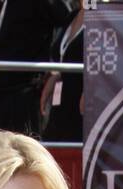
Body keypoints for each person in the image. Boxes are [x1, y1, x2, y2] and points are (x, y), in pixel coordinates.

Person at [0, 0, 71, 138]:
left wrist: (57, 70)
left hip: (24, 100)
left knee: (25, 156)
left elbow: (70, 19)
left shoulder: (37, 4)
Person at [41, 0, 84, 144]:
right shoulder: (72, 16)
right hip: (60, 104)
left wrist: (91, 87)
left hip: (81, 107)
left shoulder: (104, 19)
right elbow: (63, 55)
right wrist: (55, 76)